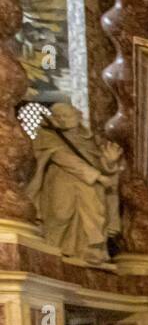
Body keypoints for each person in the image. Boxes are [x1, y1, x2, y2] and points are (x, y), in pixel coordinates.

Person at [26, 103, 122, 264]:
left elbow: (98, 164)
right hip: (61, 181)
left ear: (78, 116)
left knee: (94, 214)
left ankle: (89, 250)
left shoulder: (89, 140)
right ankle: (53, 248)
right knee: (60, 214)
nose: (63, 120)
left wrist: (110, 163)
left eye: (67, 115)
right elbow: (63, 158)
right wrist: (96, 176)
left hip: (90, 186)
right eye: (59, 117)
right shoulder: (47, 135)